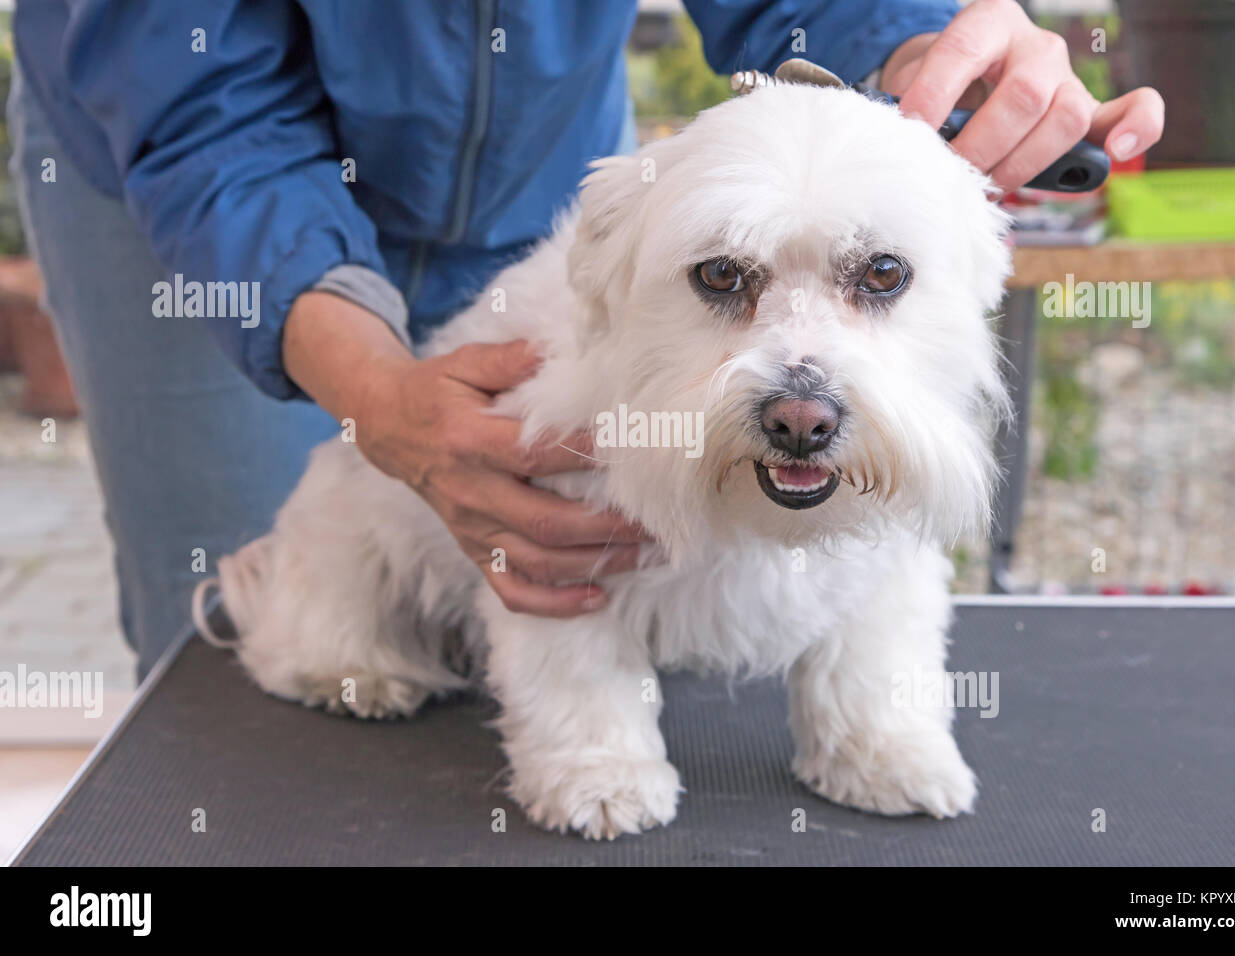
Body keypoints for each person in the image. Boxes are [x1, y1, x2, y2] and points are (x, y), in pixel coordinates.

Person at [11, 0, 1163, 680]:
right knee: (262, 644)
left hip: (548, 172)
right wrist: (375, 394)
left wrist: (908, 42)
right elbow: (201, 97)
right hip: (192, 179)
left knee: (566, 564)